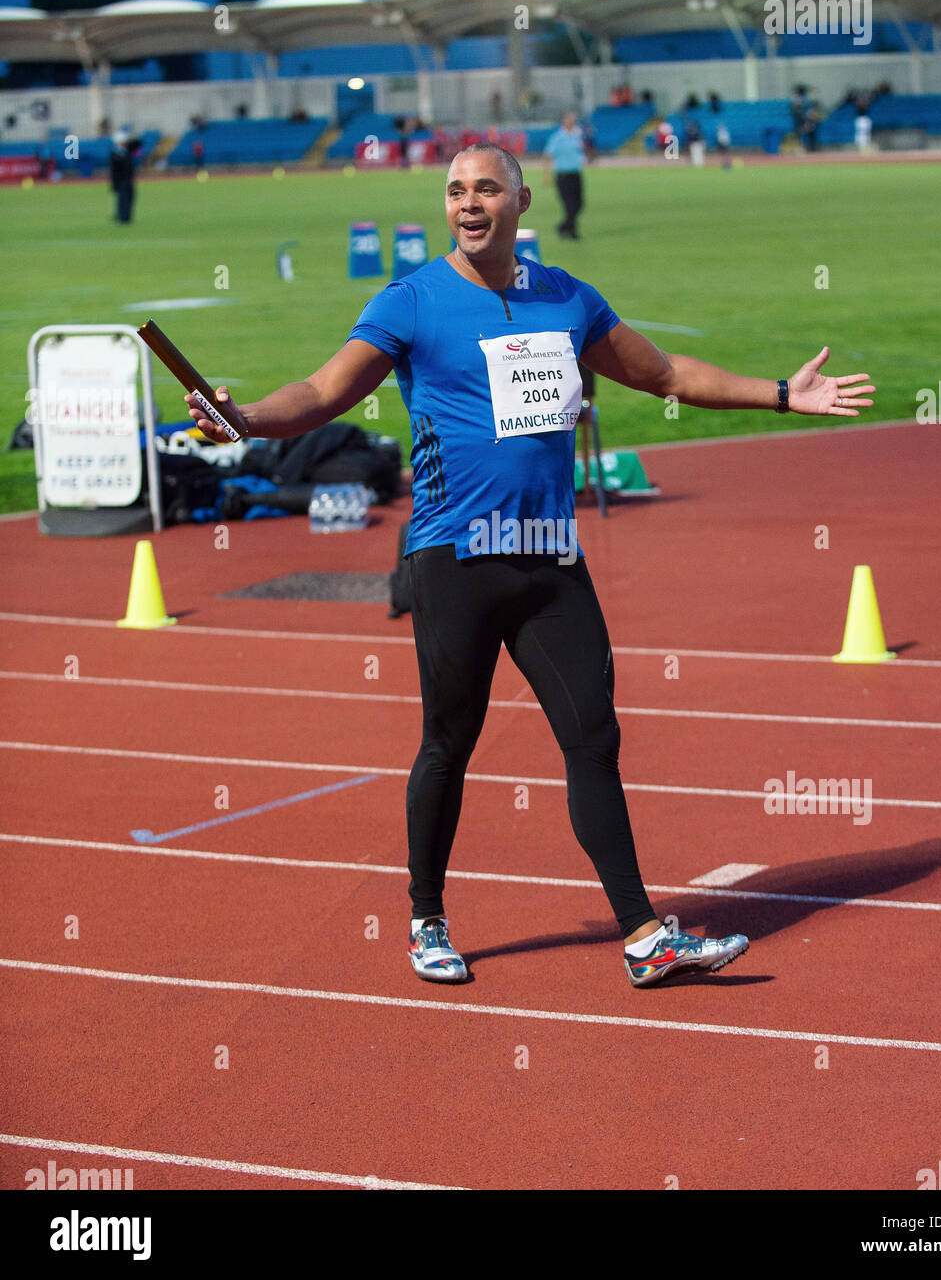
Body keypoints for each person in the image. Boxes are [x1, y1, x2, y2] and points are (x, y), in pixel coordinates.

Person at [186, 143, 876, 989]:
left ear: (519, 198)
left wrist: (779, 392)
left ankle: (643, 936)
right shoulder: (412, 301)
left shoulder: (566, 299)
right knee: (449, 741)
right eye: (453, 190)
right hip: (454, 559)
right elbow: (325, 392)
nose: (467, 202)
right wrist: (246, 417)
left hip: (550, 559)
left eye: (483, 187)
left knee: (594, 738)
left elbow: (662, 373)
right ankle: (426, 918)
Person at [543, 109, 587, 240]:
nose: (573, 122)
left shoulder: (576, 136)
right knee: (569, 205)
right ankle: (572, 231)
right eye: (570, 119)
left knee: (579, 204)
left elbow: (580, 151)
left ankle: (563, 226)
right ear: (564, 121)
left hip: (576, 173)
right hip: (563, 175)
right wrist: (547, 175)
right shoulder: (557, 138)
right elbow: (547, 155)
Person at [109, 135, 141, 223]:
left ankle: (127, 217)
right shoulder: (115, 154)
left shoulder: (127, 151)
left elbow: (138, 143)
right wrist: (114, 184)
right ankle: (122, 218)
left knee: (130, 199)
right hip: (121, 180)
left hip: (128, 179)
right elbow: (114, 171)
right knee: (122, 200)